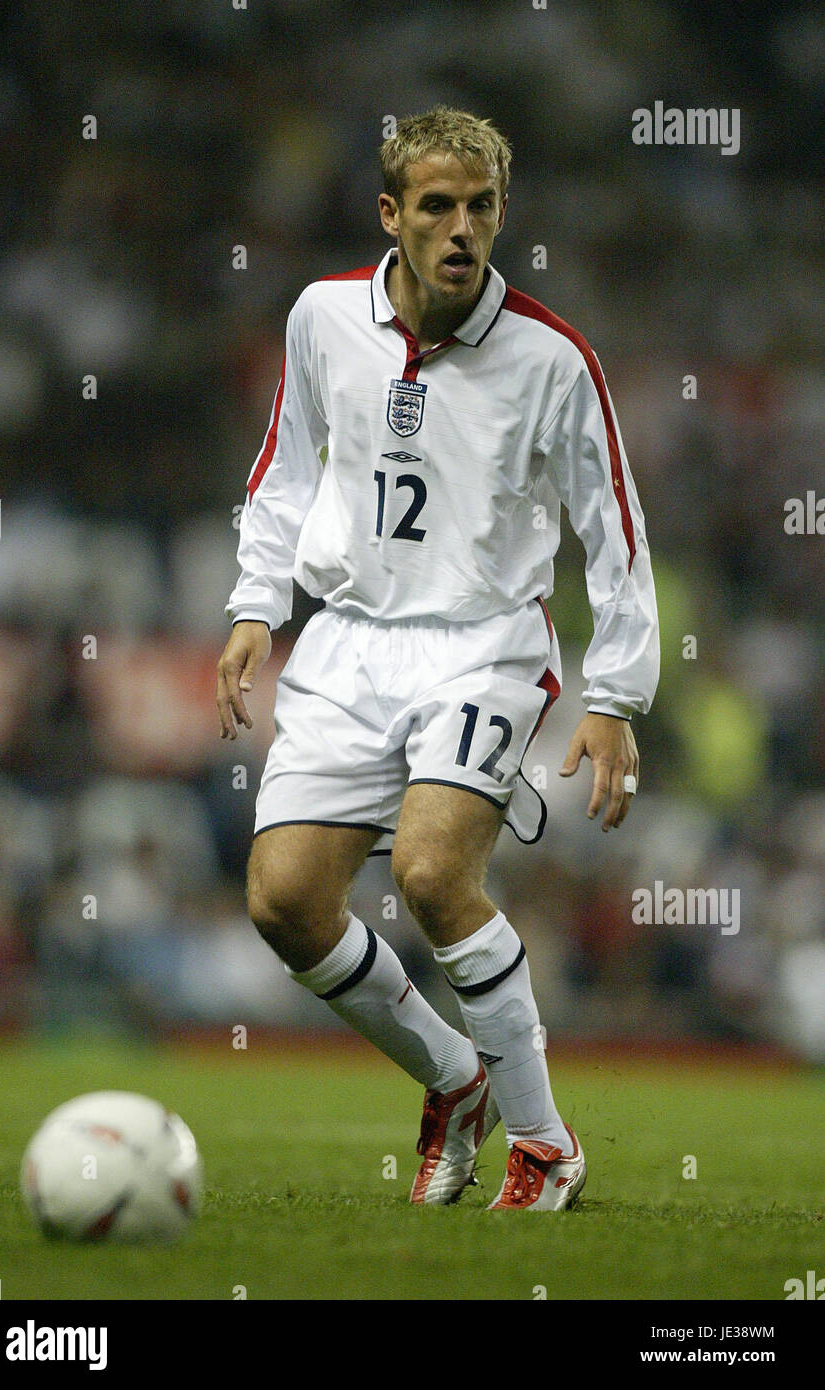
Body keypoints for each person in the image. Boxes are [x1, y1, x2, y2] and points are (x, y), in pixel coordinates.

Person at [216, 106, 659, 1210]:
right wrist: (255, 604)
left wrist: (613, 692)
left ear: (501, 213)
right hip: (352, 639)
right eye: (436, 207)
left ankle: (544, 1141)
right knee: (283, 903)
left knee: (428, 873)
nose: (461, 229)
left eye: (480, 207)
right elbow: (283, 471)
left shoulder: (553, 361)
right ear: (391, 215)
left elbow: (613, 527)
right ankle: (454, 1079)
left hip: (482, 646)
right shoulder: (322, 318)